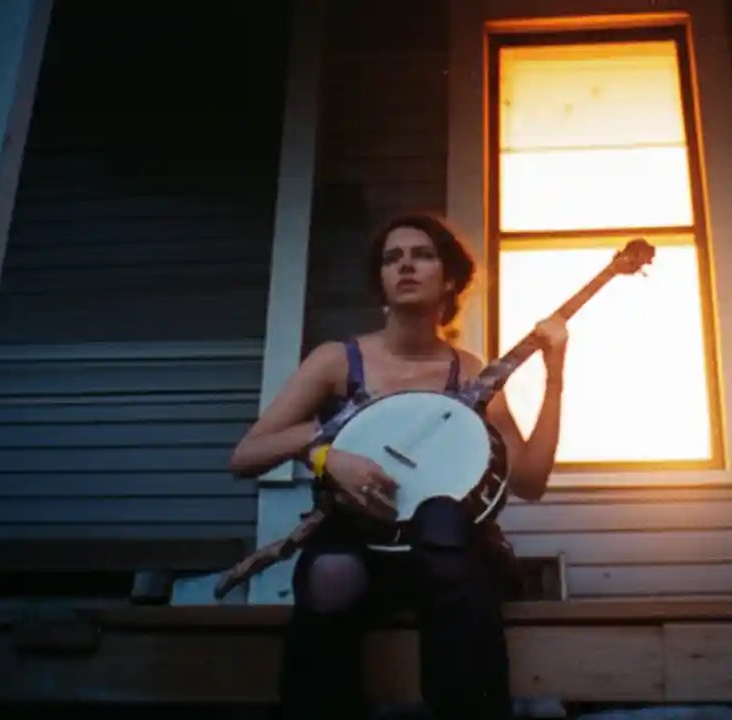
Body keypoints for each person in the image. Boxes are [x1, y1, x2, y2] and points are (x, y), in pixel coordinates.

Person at [228, 212, 568, 720]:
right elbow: (246, 455)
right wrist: (325, 451)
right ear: (382, 281)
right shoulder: (336, 361)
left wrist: (555, 377)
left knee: (443, 520)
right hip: (360, 538)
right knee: (332, 574)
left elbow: (530, 480)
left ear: (448, 278)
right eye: (393, 258)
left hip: (445, 555)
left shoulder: (467, 372)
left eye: (422, 255)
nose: (406, 265)